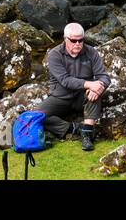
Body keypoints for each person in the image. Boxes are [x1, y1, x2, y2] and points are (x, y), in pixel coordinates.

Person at [37, 23, 110, 151]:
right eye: (73, 40)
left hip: (82, 96)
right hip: (60, 97)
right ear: (65, 39)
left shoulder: (91, 52)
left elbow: (104, 77)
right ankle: (75, 129)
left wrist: (100, 87)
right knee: (39, 116)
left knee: (94, 94)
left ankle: (87, 135)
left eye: (80, 40)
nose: (78, 43)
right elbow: (65, 80)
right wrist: (90, 84)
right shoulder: (54, 54)